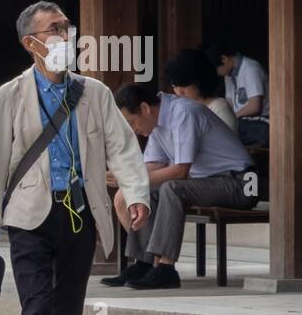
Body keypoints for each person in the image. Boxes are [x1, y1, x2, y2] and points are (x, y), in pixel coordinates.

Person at [0, 1, 150, 315]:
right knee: (37, 306)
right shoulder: (10, 95)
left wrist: (135, 194)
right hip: (29, 215)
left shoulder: (95, 93)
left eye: (67, 27)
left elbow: (123, 147)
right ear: (30, 43)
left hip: (79, 213)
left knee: (68, 309)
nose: (65, 35)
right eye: (54, 29)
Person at [105, 83, 257, 290]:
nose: (133, 130)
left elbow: (181, 171)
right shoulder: (156, 123)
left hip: (240, 184)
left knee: (172, 188)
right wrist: (127, 177)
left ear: (144, 108)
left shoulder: (184, 113)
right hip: (208, 182)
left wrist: (133, 178)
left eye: (132, 123)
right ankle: (144, 262)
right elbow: (152, 166)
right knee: (137, 192)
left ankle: (166, 269)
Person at [205, 42, 269, 147]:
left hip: (261, 119)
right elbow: (229, 104)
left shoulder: (250, 68)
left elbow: (254, 107)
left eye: (216, 69)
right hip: (242, 119)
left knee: (232, 128)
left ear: (224, 59)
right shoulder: (228, 74)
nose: (217, 74)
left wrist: (231, 118)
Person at [167, 48, 236, 133]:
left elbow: (227, 144)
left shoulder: (219, 107)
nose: (179, 92)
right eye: (174, 86)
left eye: (184, 85)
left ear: (200, 81)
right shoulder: (180, 109)